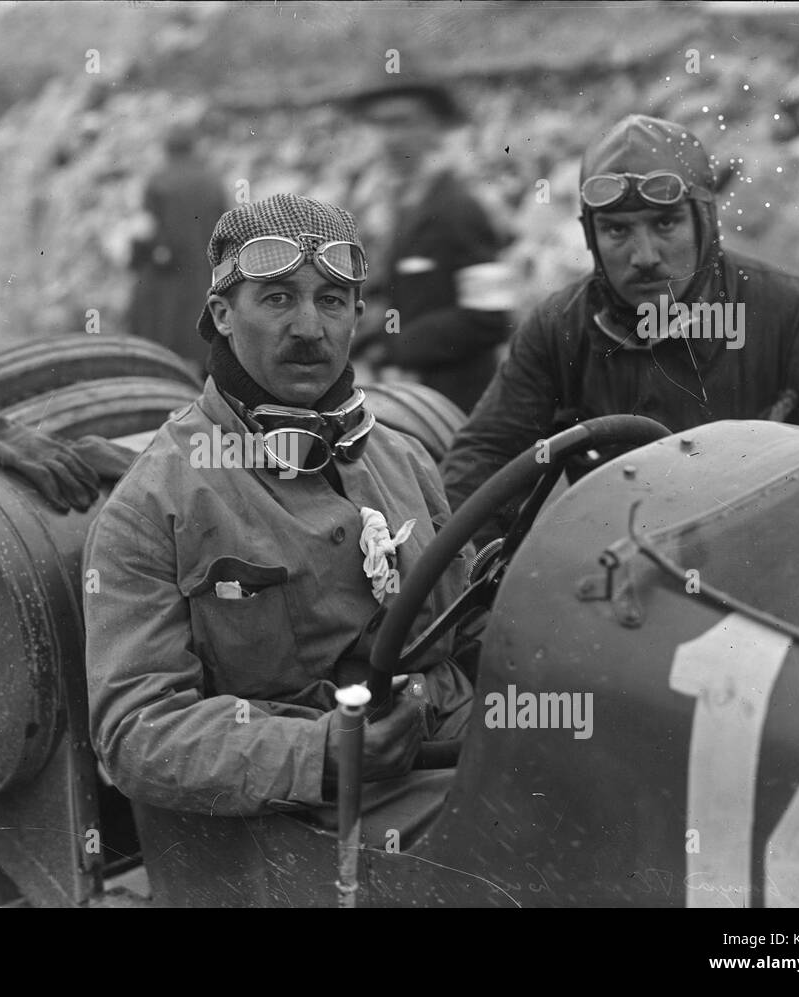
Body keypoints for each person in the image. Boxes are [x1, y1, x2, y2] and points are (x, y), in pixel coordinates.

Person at [84, 193, 474, 845]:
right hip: (306, 816)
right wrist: (322, 751)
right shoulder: (160, 500)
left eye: (329, 300)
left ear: (356, 313)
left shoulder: (404, 460)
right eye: (277, 298)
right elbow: (135, 730)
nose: (308, 328)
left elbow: (471, 628)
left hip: (457, 755)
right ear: (222, 315)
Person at [441, 113, 799, 522]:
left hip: (768, 575)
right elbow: (481, 463)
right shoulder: (559, 328)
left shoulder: (795, 314)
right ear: (591, 237)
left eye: (666, 224)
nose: (645, 256)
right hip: (620, 583)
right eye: (617, 229)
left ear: (705, 223)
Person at [349, 79, 515, 413]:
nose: (390, 138)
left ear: (434, 128)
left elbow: (491, 317)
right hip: (415, 399)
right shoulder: (399, 205)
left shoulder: (460, 208)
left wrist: (396, 342)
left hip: (458, 402)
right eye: (381, 124)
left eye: (402, 122)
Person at [128, 125, 228, 377]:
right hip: (204, 267)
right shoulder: (212, 180)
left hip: (167, 269)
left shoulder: (159, 180)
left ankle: (164, 375)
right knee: (200, 318)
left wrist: (136, 258)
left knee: (163, 323)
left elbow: (146, 228)